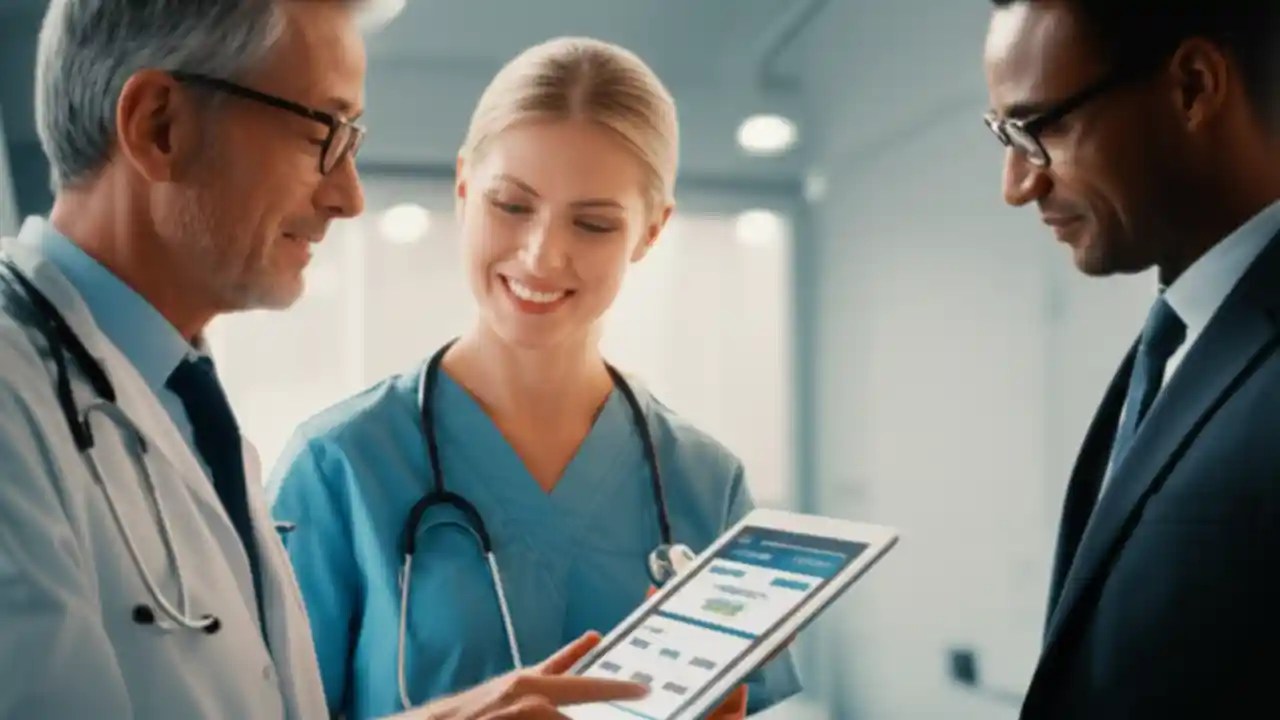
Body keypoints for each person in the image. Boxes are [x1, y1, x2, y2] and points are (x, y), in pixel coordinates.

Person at [0, 1, 647, 718]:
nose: (348, 196)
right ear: (161, 126)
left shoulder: (177, 404)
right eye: (322, 135)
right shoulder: (15, 401)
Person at [268, 36, 803, 720]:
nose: (543, 255)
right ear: (464, 188)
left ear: (651, 231)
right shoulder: (338, 466)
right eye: (512, 206)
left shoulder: (705, 483)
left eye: (594, 223)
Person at [982, 0, 1280, 717]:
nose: (1017, 185)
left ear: (1194, 87)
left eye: (1040, 128)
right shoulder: (1178, 341)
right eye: (1003, 136)